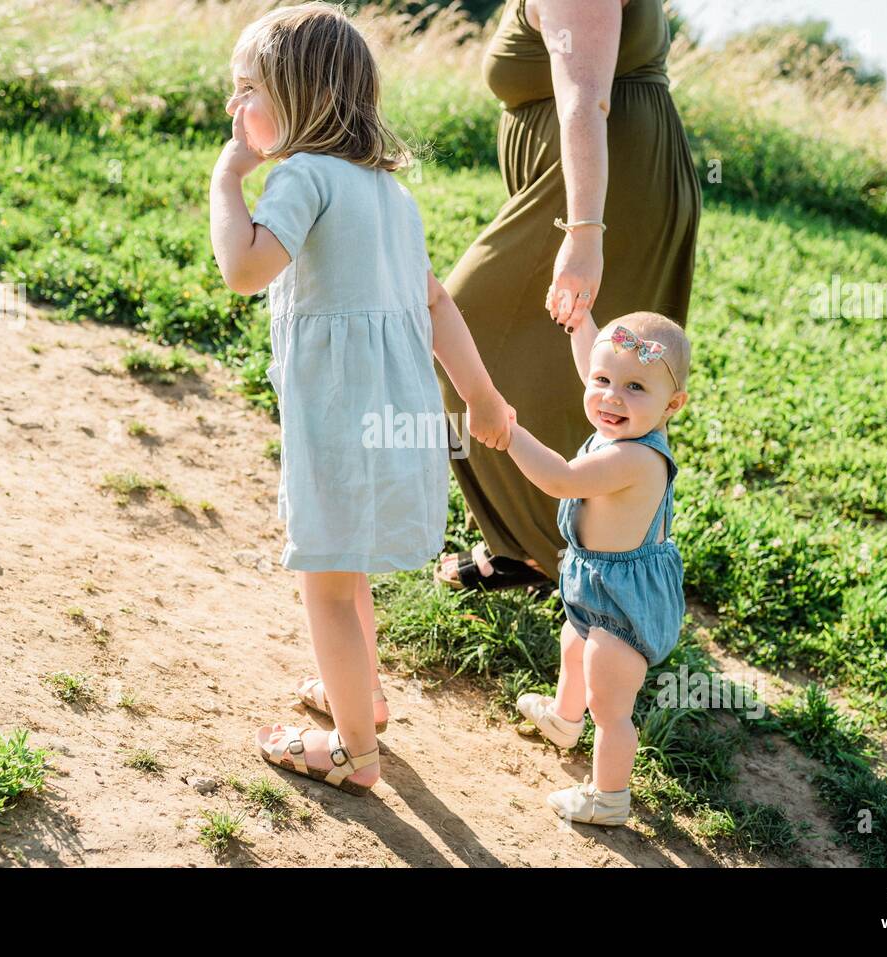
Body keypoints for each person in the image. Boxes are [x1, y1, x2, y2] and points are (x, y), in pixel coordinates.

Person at [208, 2, 513, 795]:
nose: (233, 108)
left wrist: (227, 177)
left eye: (247, 89)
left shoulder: (302, 177)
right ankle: (364, 698)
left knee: (326, 584)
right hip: (398, 411)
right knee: (350, 571)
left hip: (342, 417)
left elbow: (243, 269)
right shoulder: (389, 194)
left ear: (297, 95)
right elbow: (436, 303)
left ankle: (351, 753)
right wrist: (480, 396)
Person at [435, 0, 700, 593]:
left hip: (602, 199)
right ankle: (551, 546)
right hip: (590, 185)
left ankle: (547, 548)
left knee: (460, 324)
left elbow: (585, 98)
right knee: (568, 362)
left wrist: (583, 234)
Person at [505, 311, 689, 825]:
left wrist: (510, 432)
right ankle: (565, 720)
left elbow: (561, 478)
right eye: (603, 380)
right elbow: (593, 359)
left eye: (634, 387)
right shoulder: (622, 421)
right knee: (574, 647)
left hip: (626, 602)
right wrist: (579, 319)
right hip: (597, 579)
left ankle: (609, 797)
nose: (610, 396)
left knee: (610, 704)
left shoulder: (636, 458)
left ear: (672, 405)